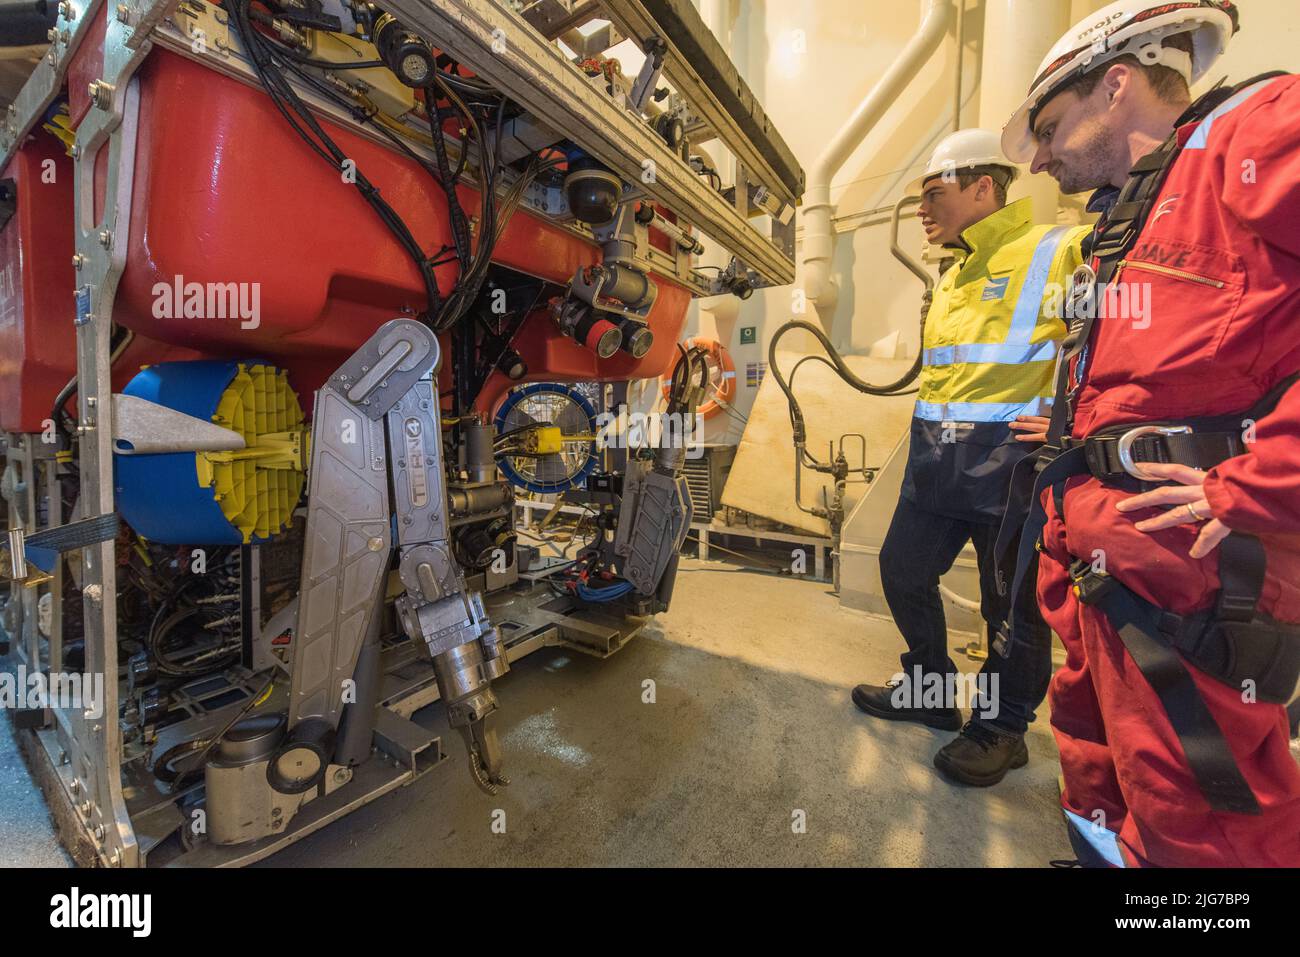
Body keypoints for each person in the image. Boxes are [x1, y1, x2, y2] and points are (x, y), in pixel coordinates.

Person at [1000, 0, 1300, 866]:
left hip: (1193, 573)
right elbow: (1174, 365)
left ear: (1117, 84)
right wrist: (1076, 438)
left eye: (1052, 128)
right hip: (1105, 562)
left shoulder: (1254, 137)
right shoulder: (1136, 212)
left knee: (1201, 822)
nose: (1045, 156)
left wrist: (1258, 484)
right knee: (1103, 774)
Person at [851, 129, 1091, 787]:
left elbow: (1121, 337)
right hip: (936, 463)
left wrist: (1076, 421)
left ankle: (1001, 726)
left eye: (935, 194)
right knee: (901, 570)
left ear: (984, 186)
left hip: (1013, 469)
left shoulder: (1061, 249)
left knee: (1008, 610)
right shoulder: (953, 273)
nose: (923, 212)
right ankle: (930, 690)